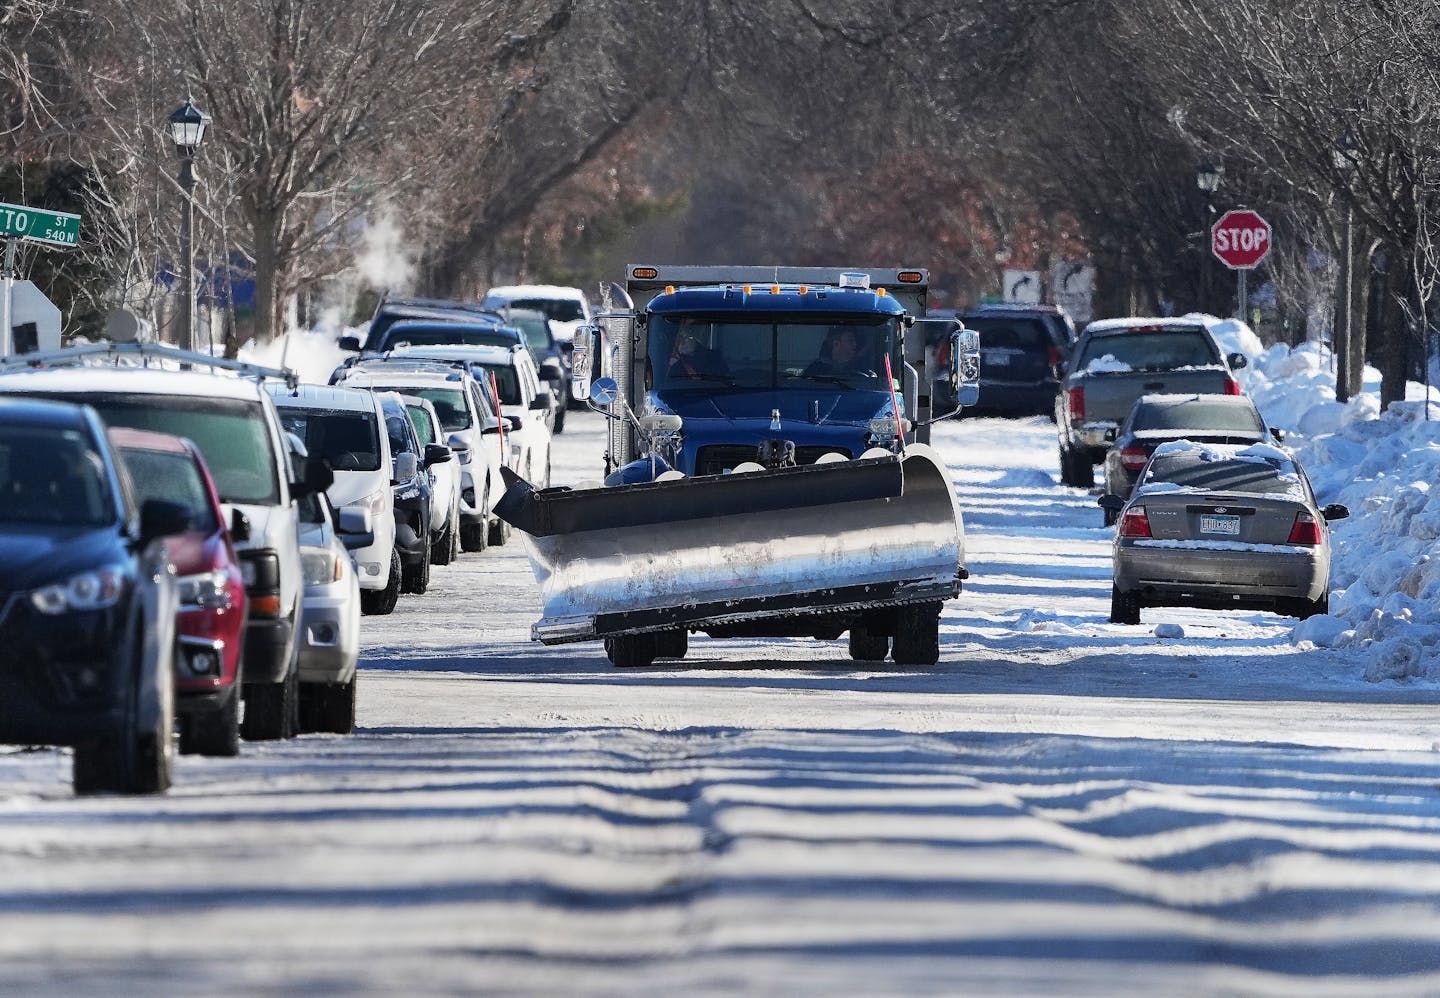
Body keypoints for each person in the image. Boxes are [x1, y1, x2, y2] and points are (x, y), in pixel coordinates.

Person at [803, 327, 873, 380]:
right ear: (836, 344)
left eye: (854, 341)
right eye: (850, 340)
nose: (855, 344)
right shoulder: (816, 368)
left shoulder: (860, 367)